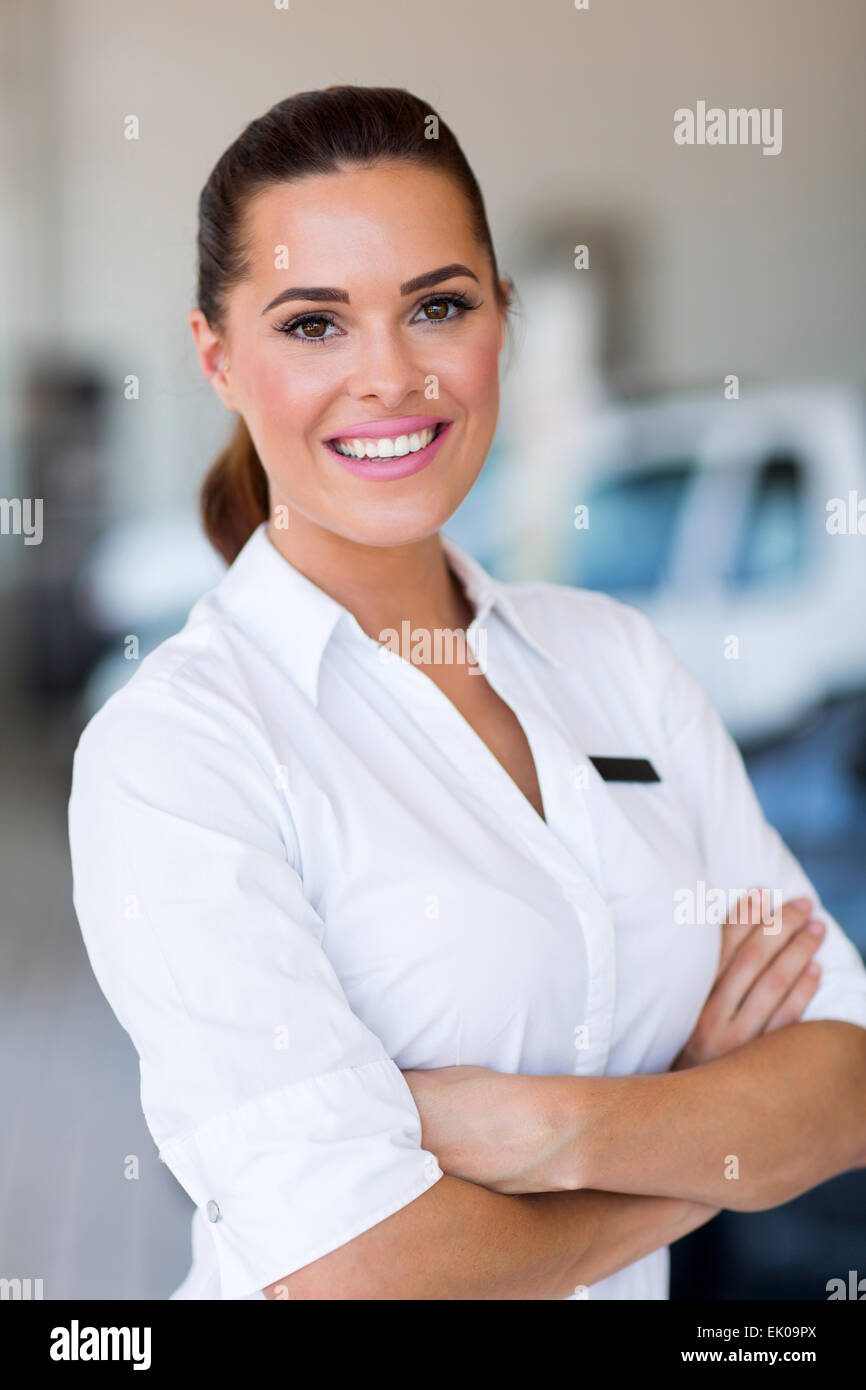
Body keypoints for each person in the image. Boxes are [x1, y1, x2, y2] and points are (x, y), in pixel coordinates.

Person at [67, 86, 866, 1302]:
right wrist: (702, 1135)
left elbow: (842, 1081)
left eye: (436, 306)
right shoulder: (179, 751)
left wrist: (544, 1128)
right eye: (313, 324)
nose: (389, 376)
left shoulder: (619, 663)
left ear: (502, 317)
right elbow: (358, 1271)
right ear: (217, 357)